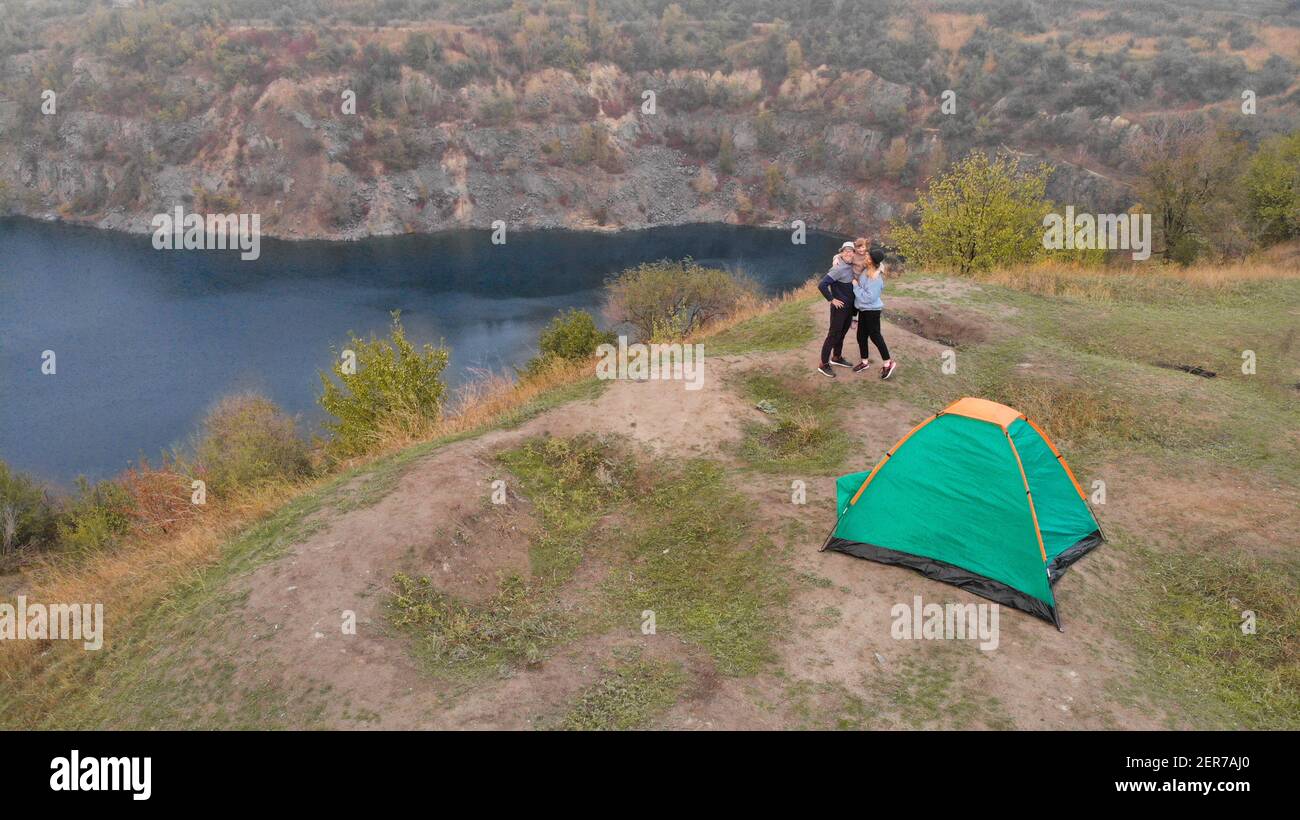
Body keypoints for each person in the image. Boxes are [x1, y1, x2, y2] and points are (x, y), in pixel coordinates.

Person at [850, 245, 897, 379]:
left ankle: (888, 363)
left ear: (872, 260)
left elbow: (869, 297)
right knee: (861, 336)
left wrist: (855, 287)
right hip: (864, 309)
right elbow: (853, 259)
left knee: (875, 336)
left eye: (868, 256)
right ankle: (864, 362)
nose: (866, 256)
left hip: (872, 311)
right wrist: (836, 258)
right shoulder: (867, 269)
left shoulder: (875, 278)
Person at [817, 241, 858, 378]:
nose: (848, 253)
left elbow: (868, 258)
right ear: (842, 252)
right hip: (839, 308)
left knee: (842, 333)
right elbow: (822, 285)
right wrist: (831, 299)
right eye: (845, 251)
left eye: (850, 251)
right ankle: (823, 364)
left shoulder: (852, 264)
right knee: (833, 335)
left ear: (854, 253)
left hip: (849, 308)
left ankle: (836, 357)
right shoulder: (838, 268)